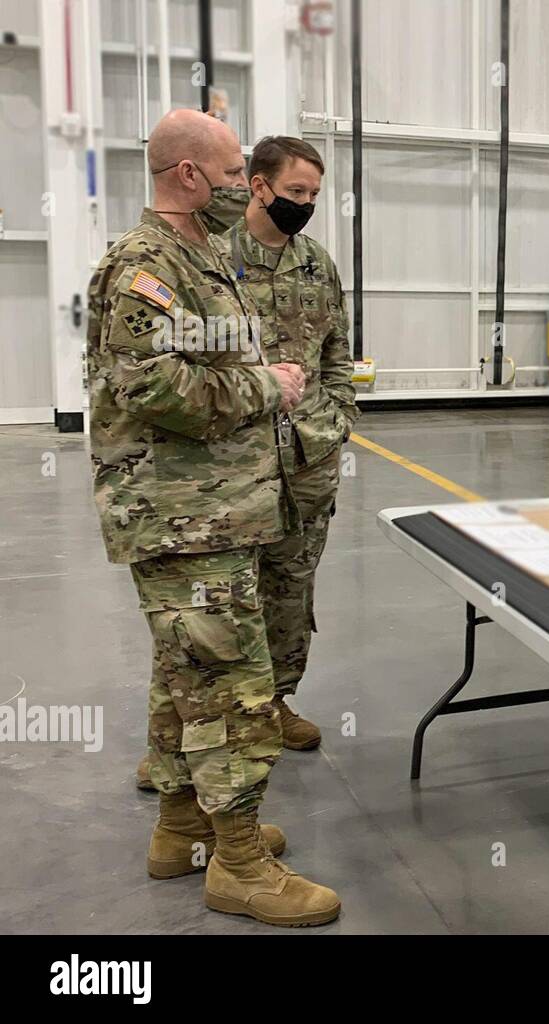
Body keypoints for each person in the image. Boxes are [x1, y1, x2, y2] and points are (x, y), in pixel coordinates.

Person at [89, 108, 340, 926]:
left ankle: (181, 828)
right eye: (235, 174)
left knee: (183, 679)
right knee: (232, 687)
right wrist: (268, 387)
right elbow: (152, 387)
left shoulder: (199, 254)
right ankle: (238, 866)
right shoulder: (146, 264)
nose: (245, 188)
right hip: (182, 517)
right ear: (189, 175)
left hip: (218, 510)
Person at [221, 135, 358, 750]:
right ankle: (202, 728)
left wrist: (339, 419)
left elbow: (337, 351)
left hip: (307, 459)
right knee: (219, 599)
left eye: (313, 194)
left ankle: (274, 703)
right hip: (233, 463)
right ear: (259, 186)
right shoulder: (213, 258)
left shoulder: (316, 263)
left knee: (290, 588)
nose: (304, 204)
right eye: (295, 191)